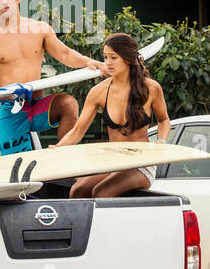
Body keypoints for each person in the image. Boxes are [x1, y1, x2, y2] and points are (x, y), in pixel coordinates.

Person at [0, 0, 108, 155]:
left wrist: (91, 62)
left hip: (36, 104)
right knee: (17, 167)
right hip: (10, 108)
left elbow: (65, 54)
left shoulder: (39, 29)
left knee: (68, 104)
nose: (4, 1)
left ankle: (63, 157)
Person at [53, 33, 170, 196]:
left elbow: (164, 120)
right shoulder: (98, 92)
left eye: (113, 58)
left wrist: (161, 142)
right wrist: (57, 149)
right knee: (78, 190)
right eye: (105, 57)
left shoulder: (151, 88)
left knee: (102, 192)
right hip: (114, 162)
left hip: (141, 164)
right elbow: (78, 130)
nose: (107, 62)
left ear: (127, 58)